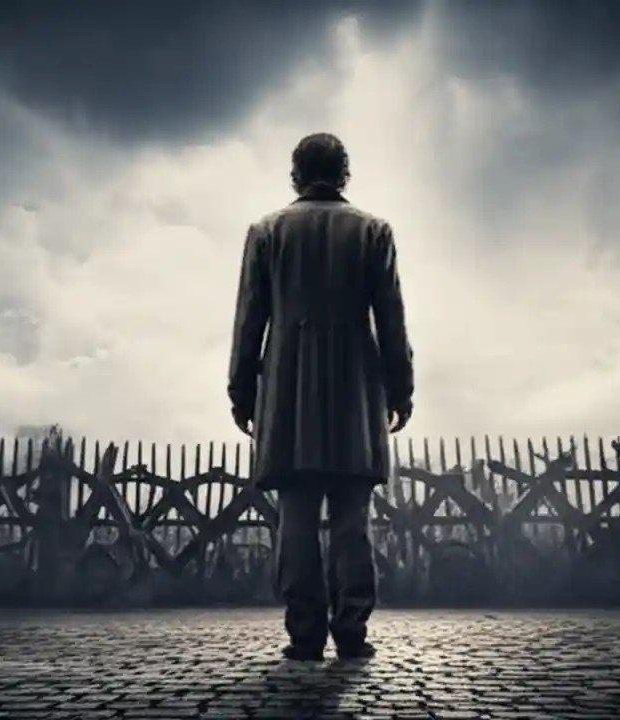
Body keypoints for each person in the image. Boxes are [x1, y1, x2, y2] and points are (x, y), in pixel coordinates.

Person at [227, 132, 415, 661]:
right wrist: (400, 387)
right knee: (353, 516)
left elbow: (250, 320)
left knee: (296, 514)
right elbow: (392, 320)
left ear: (295, 173)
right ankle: (352, 629)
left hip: (288, 391)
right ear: (344, 173)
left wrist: (242, 390)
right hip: (355, 391)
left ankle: (304, 633)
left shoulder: (267, 232)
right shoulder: (373, 231)